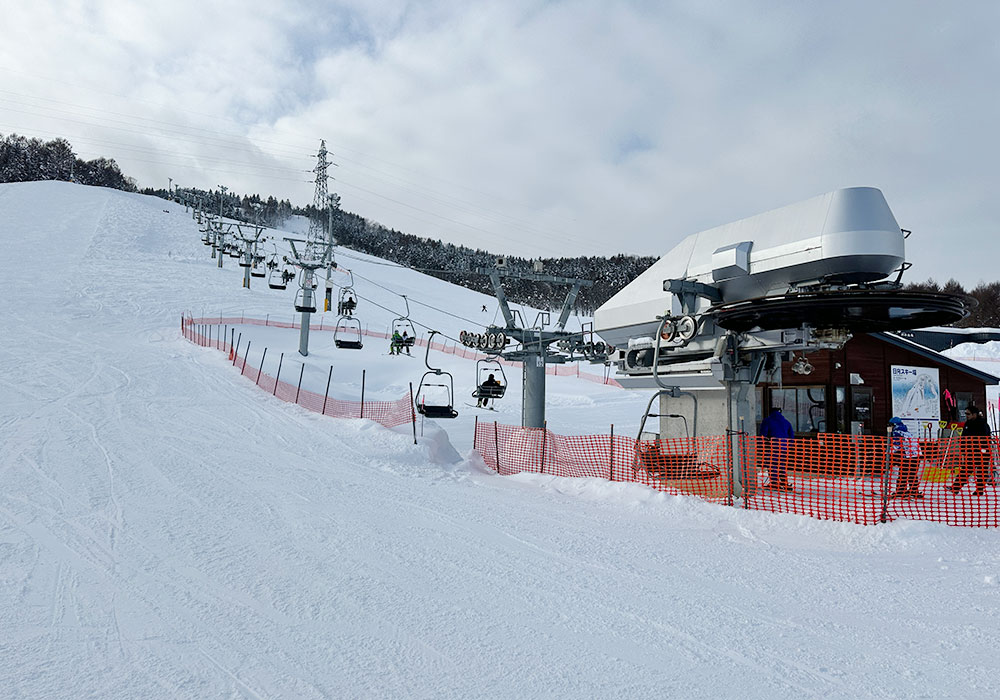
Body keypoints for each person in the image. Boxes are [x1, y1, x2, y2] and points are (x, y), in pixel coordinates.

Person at [951, 404, 992, 495]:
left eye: (968, 414)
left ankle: (979, 490)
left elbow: (986, 438)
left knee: (981, 471)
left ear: (974, 414)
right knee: (966, 469)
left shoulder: (982, 424)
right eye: (965, 414)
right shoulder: (967, 424)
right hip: (970, 452)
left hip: (981, 452)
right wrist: (963, 448)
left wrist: (981, 448)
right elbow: (964, 437)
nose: (966, 416)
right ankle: (955, 487)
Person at [759, 406, 794, 491]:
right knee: (781, 465)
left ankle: (774, 483)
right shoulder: (786, 422)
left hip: (773, 446)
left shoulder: (767, 421)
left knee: (772, 465)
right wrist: (788, 446)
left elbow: (763, 435)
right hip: (784, 448)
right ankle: (784, 483)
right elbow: (791, 437)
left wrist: (762, 445)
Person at [888, 417, 923, 499]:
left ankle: (900, 491)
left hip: (907, 456)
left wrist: (890, 452)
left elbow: (897, 445)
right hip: (916, 455)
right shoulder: (906, 432)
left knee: (903, 474)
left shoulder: (897, 432)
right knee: (912, 474)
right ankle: (914, 491)